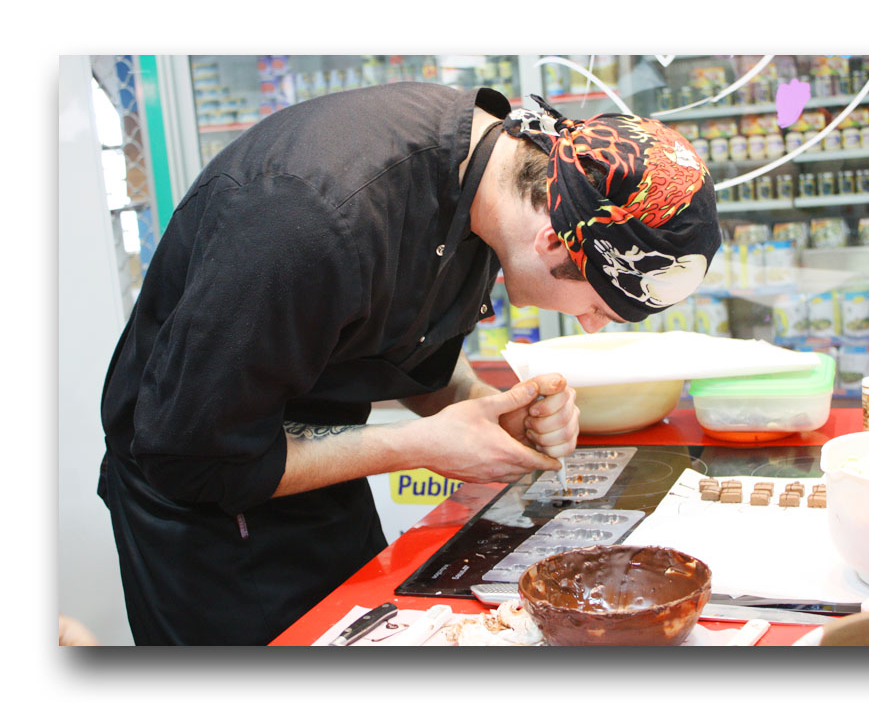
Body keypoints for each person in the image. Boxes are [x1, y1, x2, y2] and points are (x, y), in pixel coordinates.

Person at [98, 82, 720, 645]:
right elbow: (195, 454)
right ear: (554, 240)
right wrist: (420, 445)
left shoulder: (491, 176)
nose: (588, 322)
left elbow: (403, 346)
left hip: (317, 480)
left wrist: (480, 408)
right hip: (202, 522)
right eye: (599, 304)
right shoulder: (307, 223)